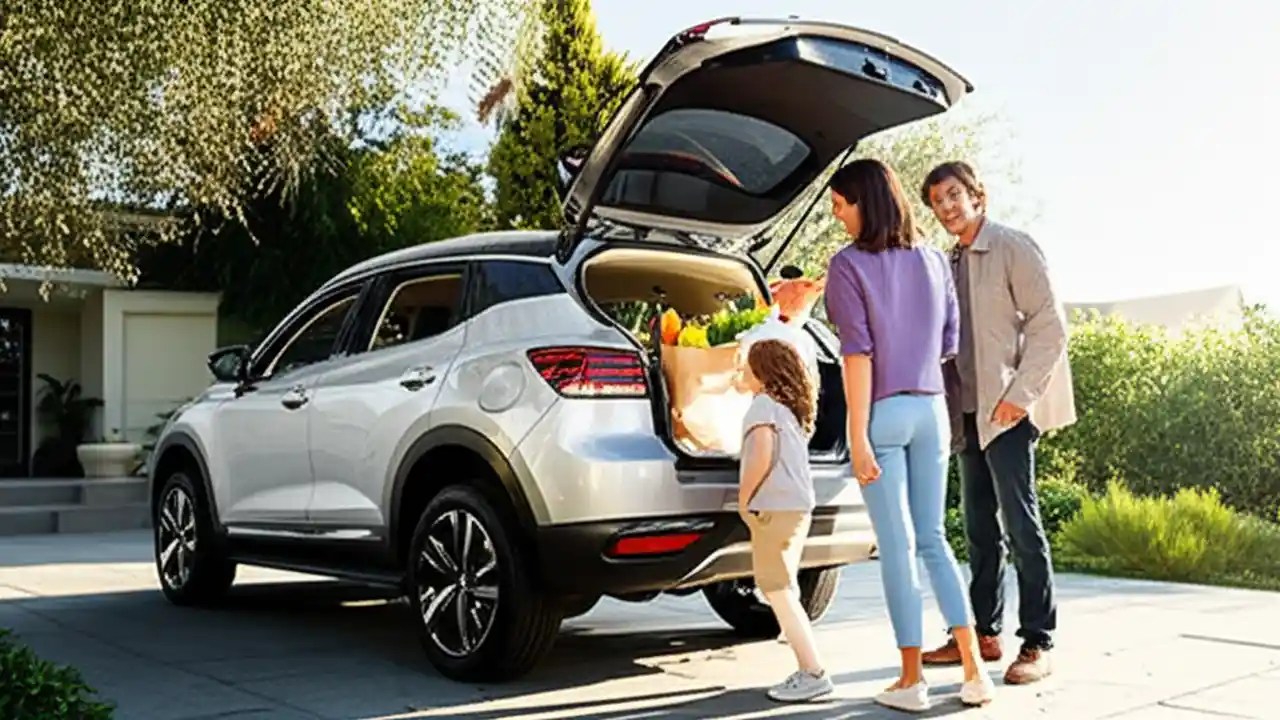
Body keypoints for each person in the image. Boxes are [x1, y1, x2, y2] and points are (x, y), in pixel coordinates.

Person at [823, 158, 995, 712]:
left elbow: (858, 355)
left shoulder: (847, 266)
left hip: (884, 413)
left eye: (840, 205)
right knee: (934, 540)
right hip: (932, 411)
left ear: (863, 202)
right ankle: (975, 672)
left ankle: (911, 681)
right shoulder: (934, 259)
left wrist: (858, 435)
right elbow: (948, 343)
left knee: (896, 547)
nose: (837, 215)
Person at [918, 161, 1076, 685]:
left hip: (1006, 412)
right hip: (966, 413)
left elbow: (1050, 326)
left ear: (976, 195)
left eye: (954, 195)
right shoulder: (949, 260)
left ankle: (1038, 641)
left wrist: (1019, 398)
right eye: (937, 201)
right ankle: (983, 634)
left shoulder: (1012, 246)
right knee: (979, 529)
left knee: (1021, 526)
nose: (946, 207)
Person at [737, 338, 833, 703]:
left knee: (775, 588)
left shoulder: (762, 406)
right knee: (784, 586)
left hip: (774, 507)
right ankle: (802, 652)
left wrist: (744, 499)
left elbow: (761, 454)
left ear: (762, 371)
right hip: (796, 507)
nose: (741, 371)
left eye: (746, 365)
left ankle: (813, 672)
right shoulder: (787, 410)